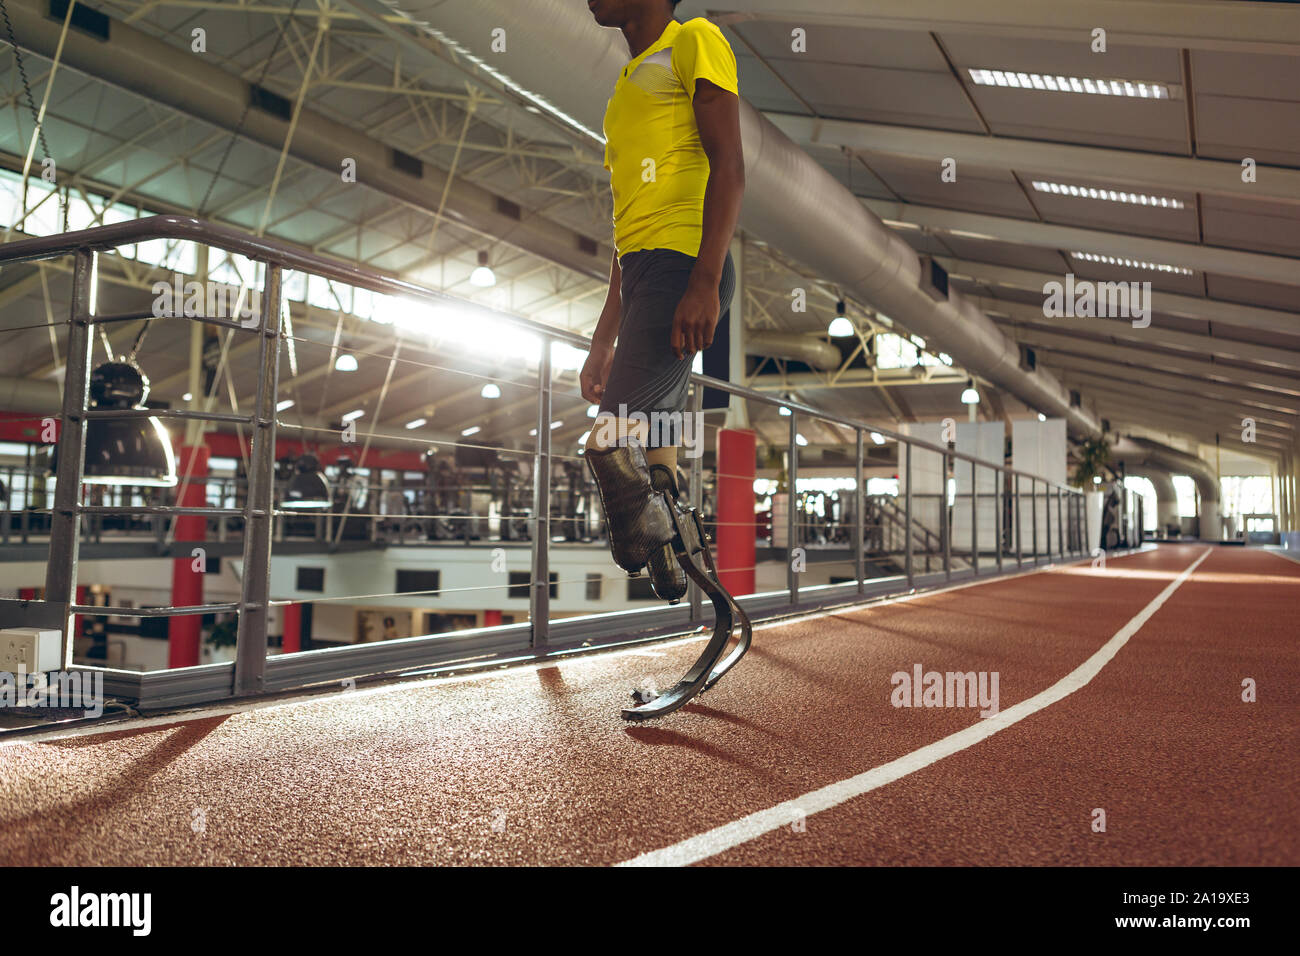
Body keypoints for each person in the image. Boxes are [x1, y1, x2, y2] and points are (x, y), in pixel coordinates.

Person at [580, 0, 745, 602]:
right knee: (654, 463)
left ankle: (649, 539)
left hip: (683, 268)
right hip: (646, 272)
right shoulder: (623, 89)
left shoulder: (696, 39)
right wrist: (603, 340)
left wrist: (704, 282)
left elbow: (730, 164)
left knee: (608, 441)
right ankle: (678, 552)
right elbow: (625, 228)